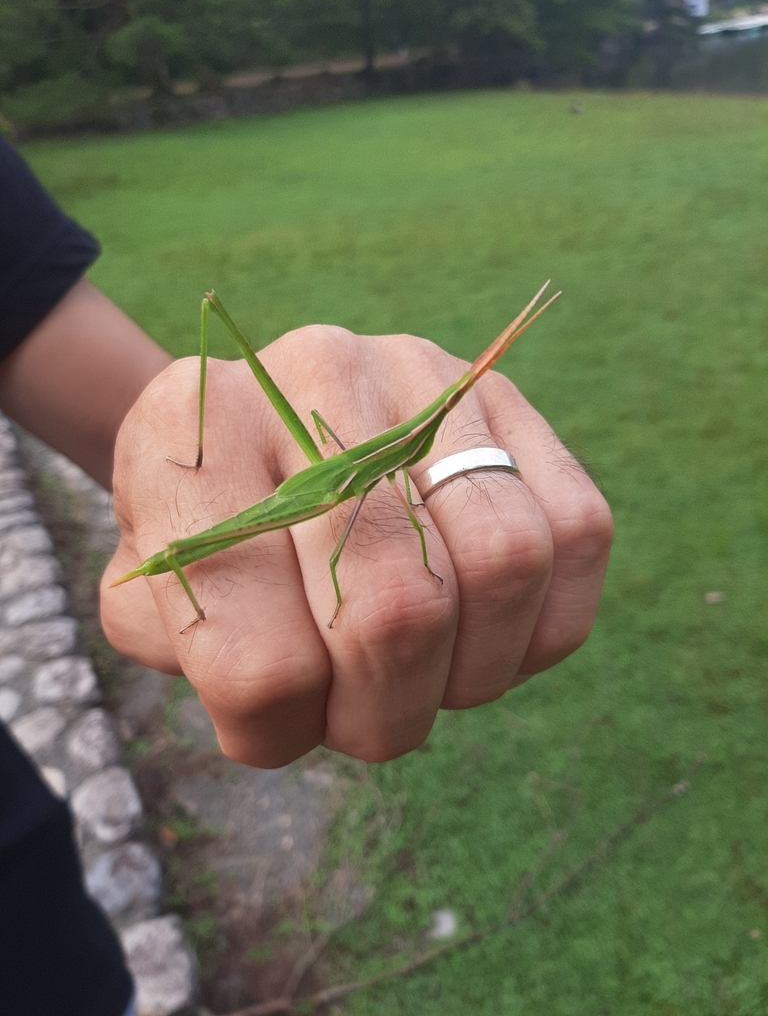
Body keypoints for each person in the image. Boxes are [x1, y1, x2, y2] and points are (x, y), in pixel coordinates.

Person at [0, 134, 613, 1012]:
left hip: (46, 936)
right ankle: (177, 556)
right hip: (297, 503)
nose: (441, 419)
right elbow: (350, 531)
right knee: (322, 537)